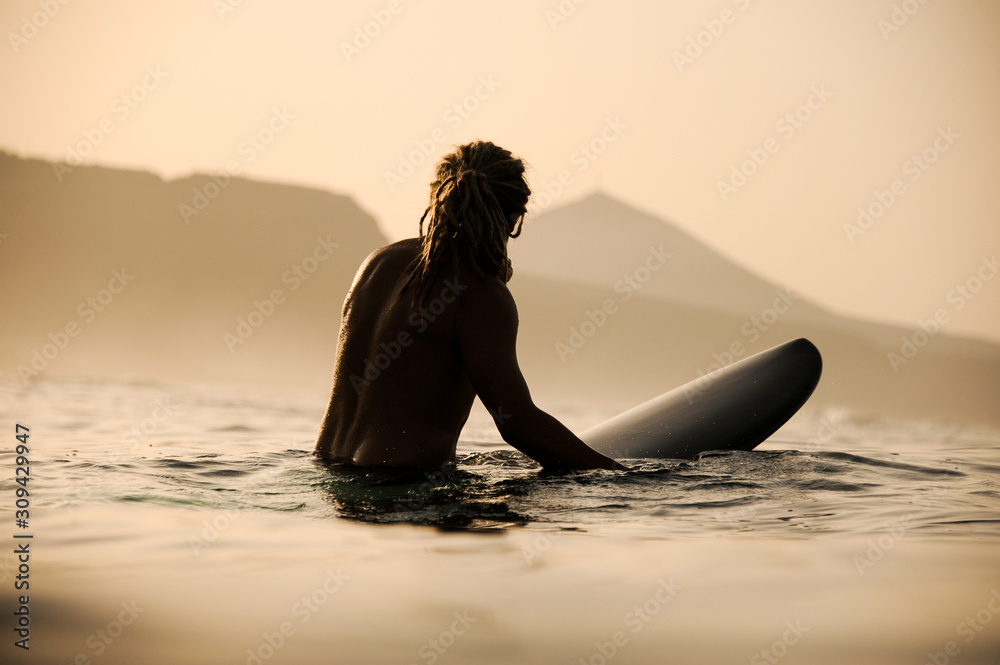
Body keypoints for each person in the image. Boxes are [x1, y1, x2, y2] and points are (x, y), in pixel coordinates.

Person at [315, 141, 625, 472]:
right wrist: (619, 475)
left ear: (439, 199)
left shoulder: (377, 264)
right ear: (512, 219)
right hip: (400, 491)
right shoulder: (479, 295)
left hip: (328, 473)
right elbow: (517, 422)